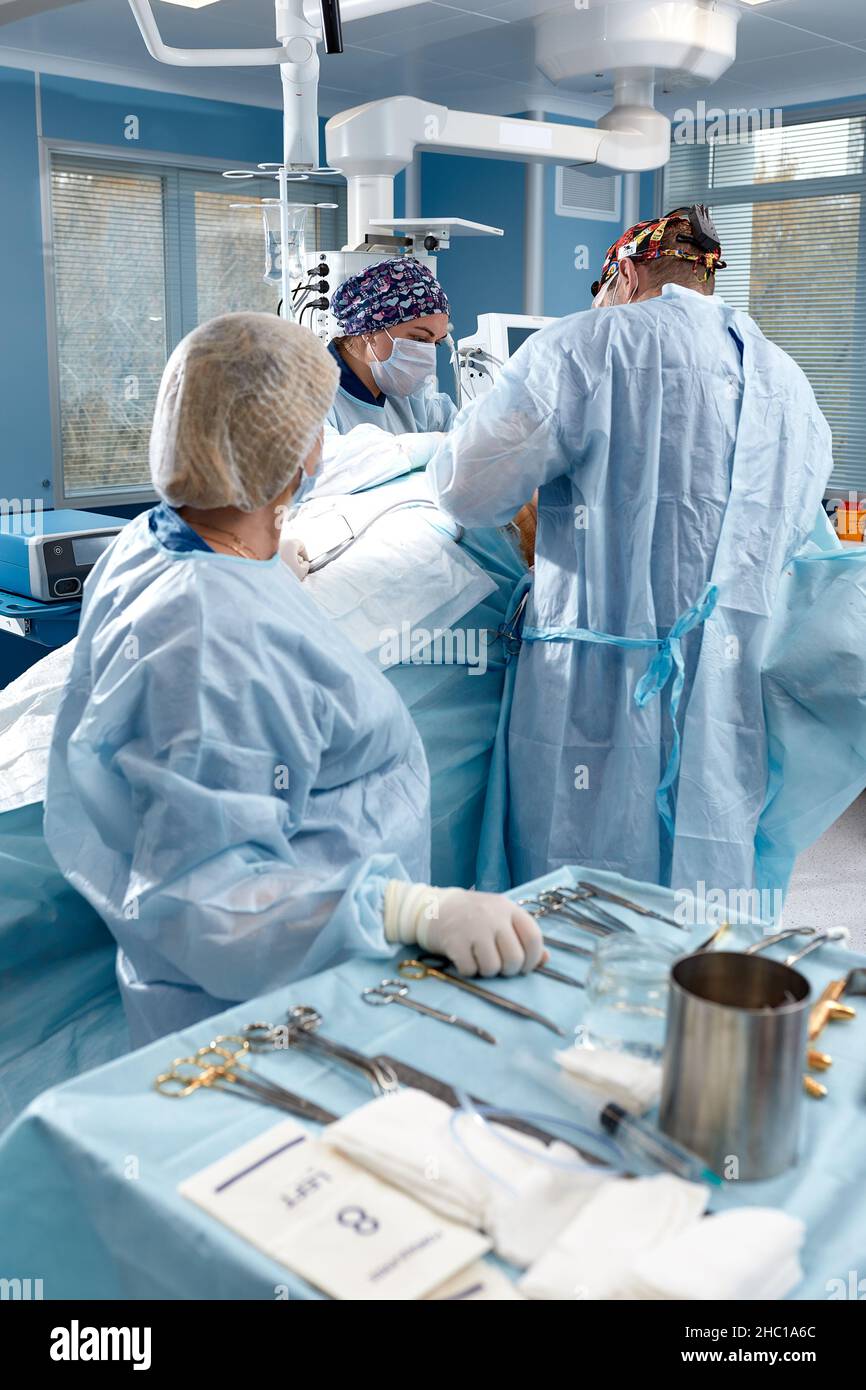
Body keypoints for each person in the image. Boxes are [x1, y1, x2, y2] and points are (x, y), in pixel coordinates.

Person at [43, 312, 543, 1046]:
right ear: (292, 447)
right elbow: (210, 904)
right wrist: (405, 913)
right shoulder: (213, 636)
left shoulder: (152, 545)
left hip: (303, 980)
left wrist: (263, 564)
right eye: (316, 423)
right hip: (270, 1014)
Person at [427, 207, 835, 898]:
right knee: (704, 871)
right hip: (729, 684)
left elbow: (469, 492)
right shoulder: (787, 383)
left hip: (592, 682)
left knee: (578, 878)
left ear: (628, 269)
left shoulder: (584, 346)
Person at [326, 257, 456, 436]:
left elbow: (464, 438)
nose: (429, 356)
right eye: (419, 339)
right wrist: (436, 443)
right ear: (369, 330)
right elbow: (338, 458)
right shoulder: (308, 397)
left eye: (437, 343)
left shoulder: (409, 395)